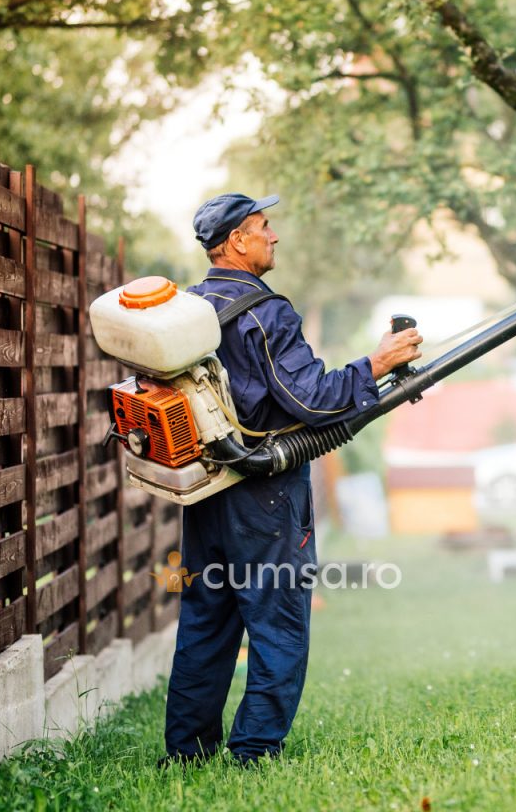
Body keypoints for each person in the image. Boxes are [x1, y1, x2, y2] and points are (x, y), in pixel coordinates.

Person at [161, 192, 422, 766]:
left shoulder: (191, 309)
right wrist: (377, 363)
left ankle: (186, 752)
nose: (273, 236)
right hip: (265, 494)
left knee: (206, 620)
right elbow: (313, 400)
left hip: (207, 489)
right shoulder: (265, 310)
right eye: (263, 226)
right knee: (278, 622)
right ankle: (254, 752)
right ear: (236, 241)